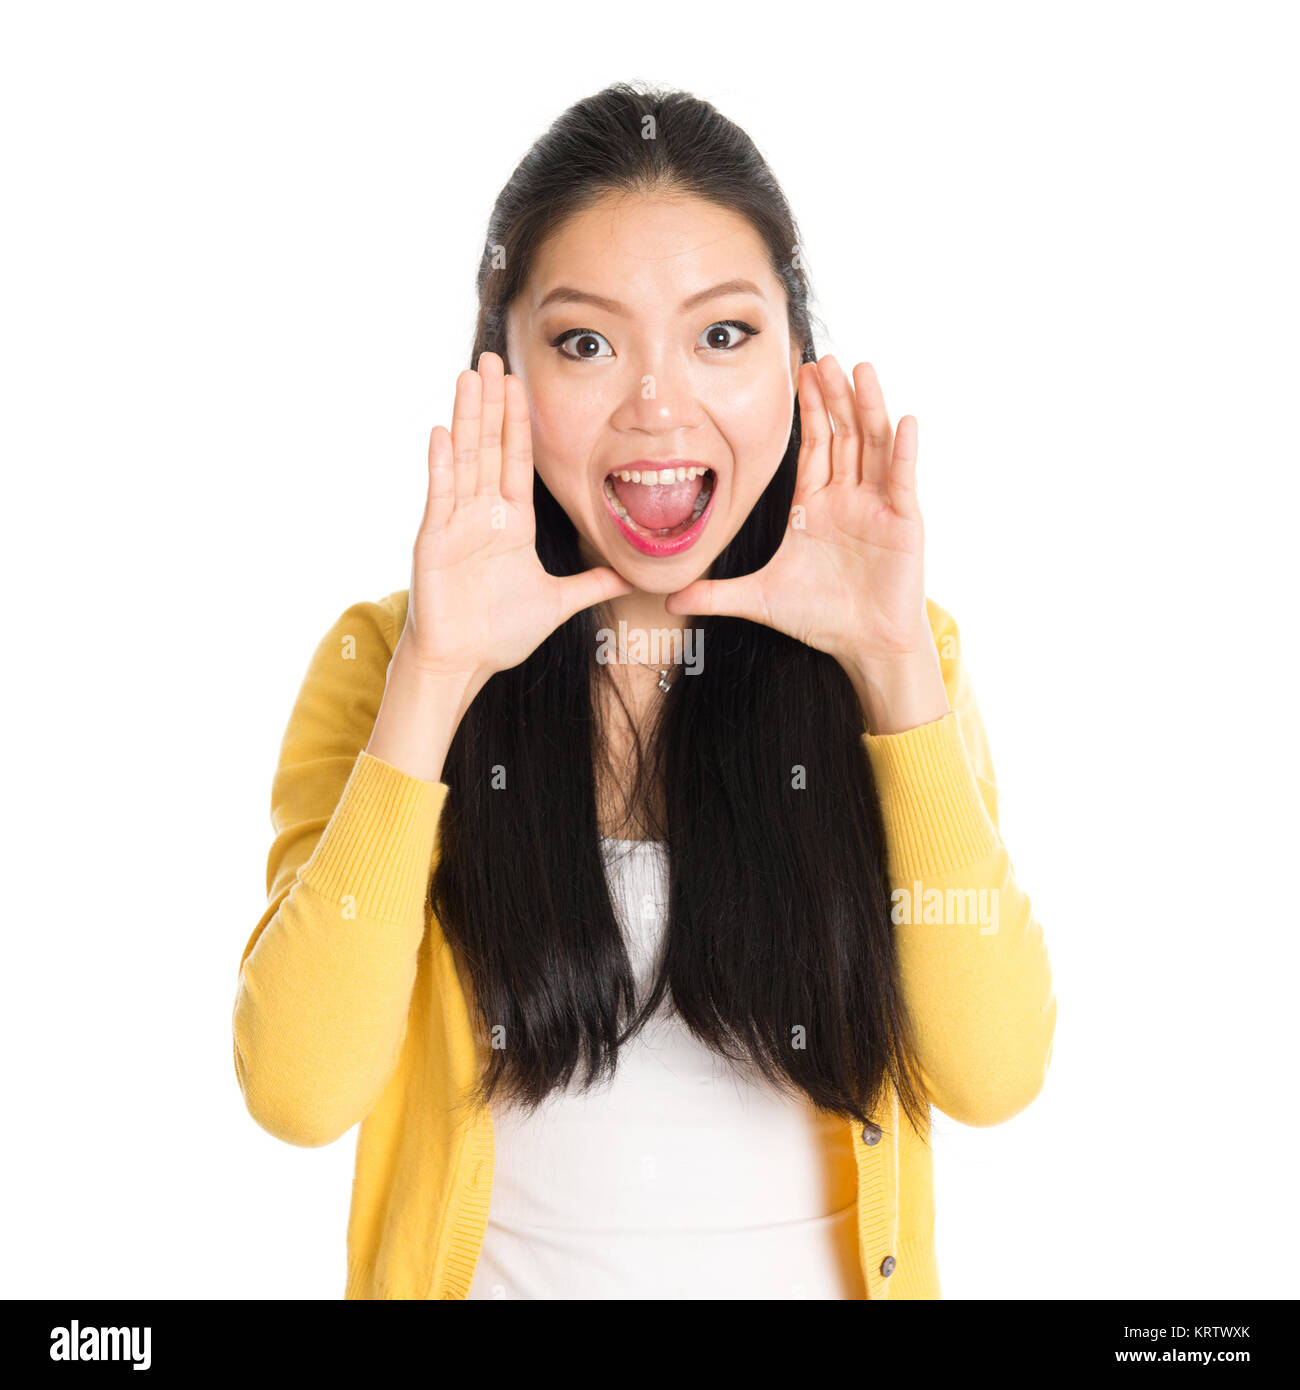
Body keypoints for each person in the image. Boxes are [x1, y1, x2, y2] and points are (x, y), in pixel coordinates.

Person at [232, 81, 1057, 1300]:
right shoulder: (384, 665)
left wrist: (890, 672)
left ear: (795, 364)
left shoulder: (902, 659)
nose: (657, 405)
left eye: (722, 335)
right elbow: (298, 1093)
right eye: (585, 342)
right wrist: (438, 681)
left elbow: (993, 1076)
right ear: (499, 373)